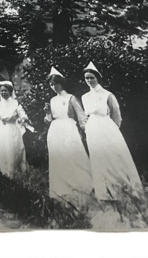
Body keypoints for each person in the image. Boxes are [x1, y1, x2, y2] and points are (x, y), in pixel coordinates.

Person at [81, 62, 143, 200]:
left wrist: (112, 132)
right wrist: (88, 128)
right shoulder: (84, 97)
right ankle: (104, 192)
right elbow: (86, 116)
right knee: (98, 159)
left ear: (97, 78)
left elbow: (117, 116)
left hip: (107, 129)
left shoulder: (107, 95)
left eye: (92, 77)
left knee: (113, 157)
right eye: (87, 78)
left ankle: (122, 189)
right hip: (92, 130)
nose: (89, 81)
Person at [45, 67, 93, 204]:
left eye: (56, 83)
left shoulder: (71, 98)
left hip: (69, 130)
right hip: (55, 131)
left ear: (62, 83)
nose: (54, 86)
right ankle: (61, 191)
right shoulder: (52, 100)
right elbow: (49, 120)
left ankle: (80, 189)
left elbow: (81, 116)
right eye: (51, 84)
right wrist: (48, 113)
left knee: (74, 158)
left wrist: (89, 130)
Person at [0, 81, 30, 179]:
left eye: (5, 90)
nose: (3, 93)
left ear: (10, 91)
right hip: (2, 132)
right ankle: (5, 175)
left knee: (13, 152)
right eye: (1, 91)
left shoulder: (15, 104)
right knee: (3, 151)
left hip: (13, 131)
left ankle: (15, 176)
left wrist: (22, 119)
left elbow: (24, 116)